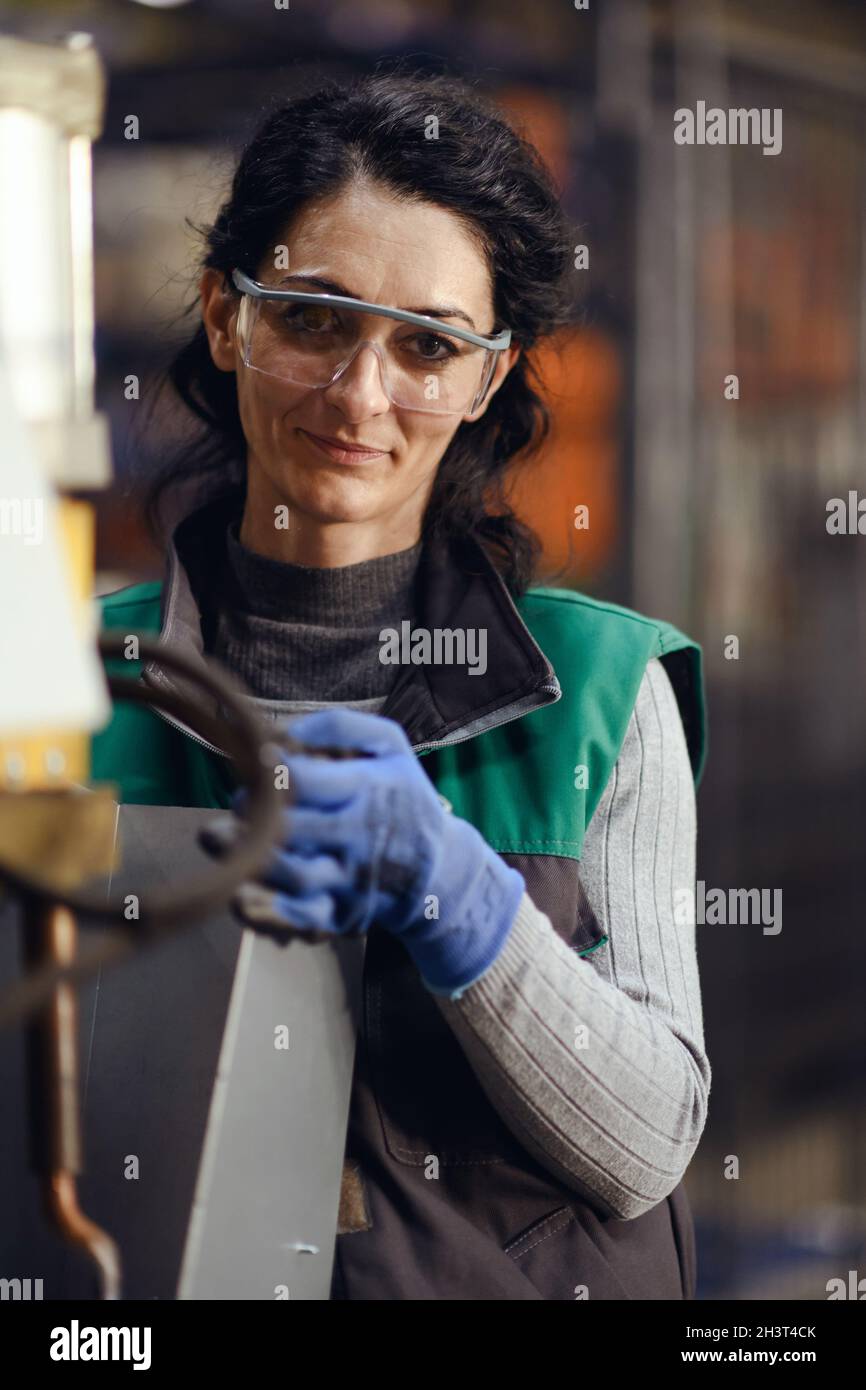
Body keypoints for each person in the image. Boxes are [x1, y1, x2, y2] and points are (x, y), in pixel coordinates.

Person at [92, 68, 711, 1300]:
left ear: (486, 378)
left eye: (426, 345)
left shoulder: (596, 687)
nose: (360, 396)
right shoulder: (66, 690)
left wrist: (456, 892)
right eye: (313, 320)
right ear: (228, 319)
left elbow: (646, 1143)